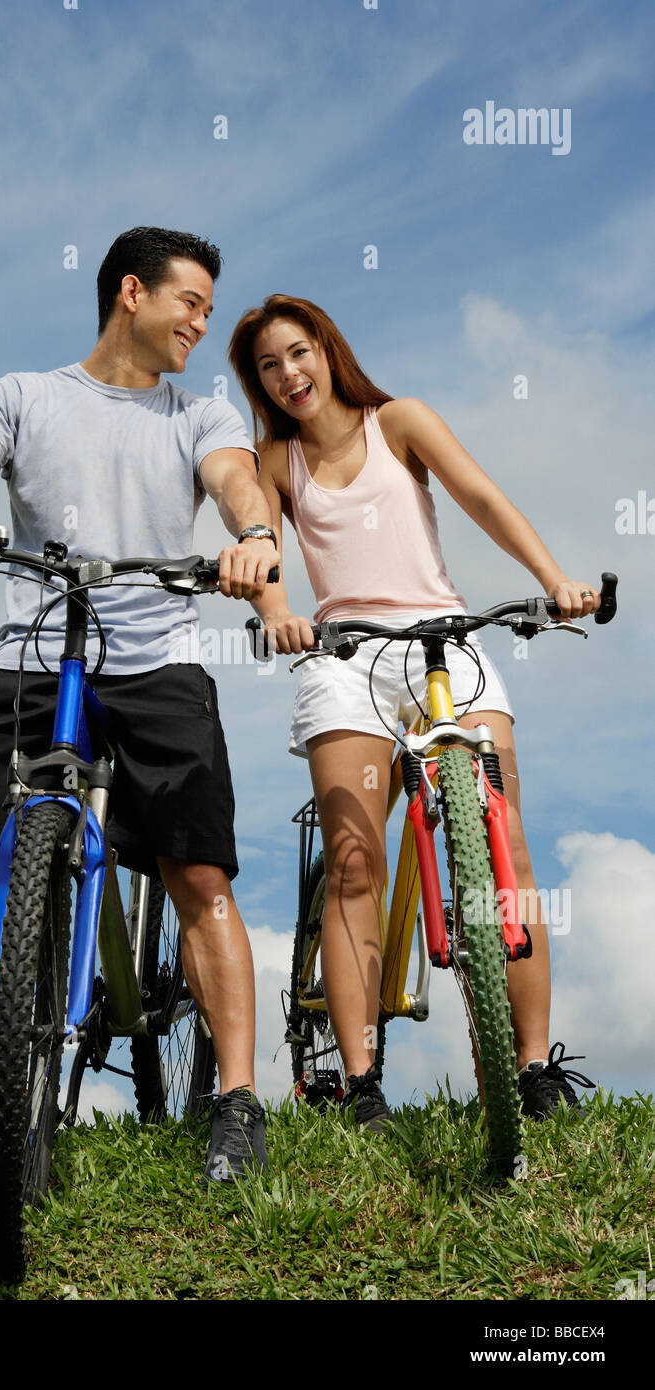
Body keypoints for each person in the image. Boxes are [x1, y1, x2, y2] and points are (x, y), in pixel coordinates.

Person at [0, 227, 283, 1192]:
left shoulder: (201, 414)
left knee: (201, 879)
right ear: (131, 293)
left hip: (160, 666)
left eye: (210, 311)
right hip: (33, 659)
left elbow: (235, 483)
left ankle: (235, 1101)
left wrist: (255, 536)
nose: (201, 324)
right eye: (190, 303)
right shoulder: (26, 396)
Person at [228, 294, 596, 1129]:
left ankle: (533, 1065)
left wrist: (553, 580)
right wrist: (276, 613)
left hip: (445, 646)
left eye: (299, 353)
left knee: (508, 854)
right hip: (344, 657)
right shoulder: (272, 460)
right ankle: (363, 1085)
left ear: (328, 349)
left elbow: (484, 500)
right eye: (268, 367)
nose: (289, 375)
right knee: (357, 864)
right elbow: (267, 557)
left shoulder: (399, 423)